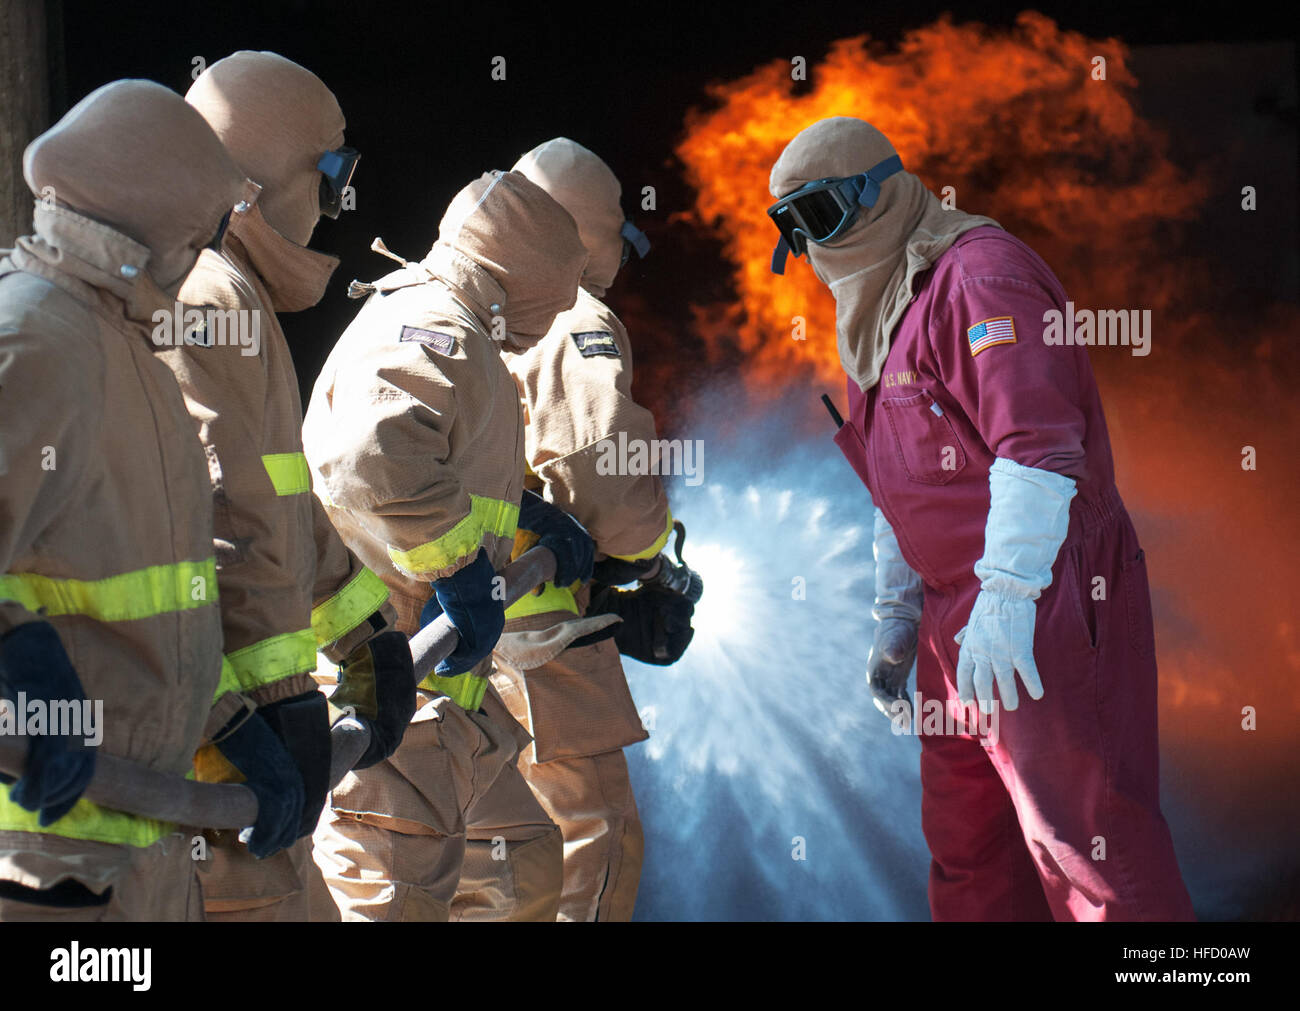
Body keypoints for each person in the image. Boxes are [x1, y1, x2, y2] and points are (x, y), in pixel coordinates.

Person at [768, 116, 1195, 921]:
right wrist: (898, 617)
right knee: (973, 857)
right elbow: (897, 481)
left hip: (1044, 595)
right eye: (793, 229)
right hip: (950, 618)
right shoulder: (883, 311)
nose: (812, 245)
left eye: (821, 216)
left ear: (878, 194)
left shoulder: (979, 277)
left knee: (1090, 848)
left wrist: (1007, 596)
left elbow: (1036, 446)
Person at [161, 51, 413, 922]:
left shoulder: (234, 294)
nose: (337, 203)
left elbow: (281, 501)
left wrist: (363, 631)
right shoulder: (209, 295)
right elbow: (223, 518)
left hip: (235, 747)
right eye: (330, 176)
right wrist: (268, 706)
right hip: (210, 763)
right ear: (259, 177)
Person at [303, 169, 591, 921]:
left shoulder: (453, 326)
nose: (559, 316)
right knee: (394, 898)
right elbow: (375, 450)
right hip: (392, 686)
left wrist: (528, 513)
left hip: (445, 703)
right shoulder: (440, 326)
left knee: (520, 865)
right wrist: (459, 568)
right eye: (557, 297)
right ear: (522, 277)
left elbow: (436, 454)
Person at [0, 80, 258, 920]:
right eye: (206, 228)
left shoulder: (120, 350)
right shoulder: (39, 338)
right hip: (41, 862)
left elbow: (151, 594)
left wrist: (235, 718)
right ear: (166, 223)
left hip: (127, 854)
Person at [494, 137, 695, 920]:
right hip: (536, 635)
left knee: (491, 856)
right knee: (594, 838)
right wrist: (646, 563)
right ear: (586, 233)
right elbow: (606, 466)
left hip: (454, 634)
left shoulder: (470, 299)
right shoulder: (573, 312)